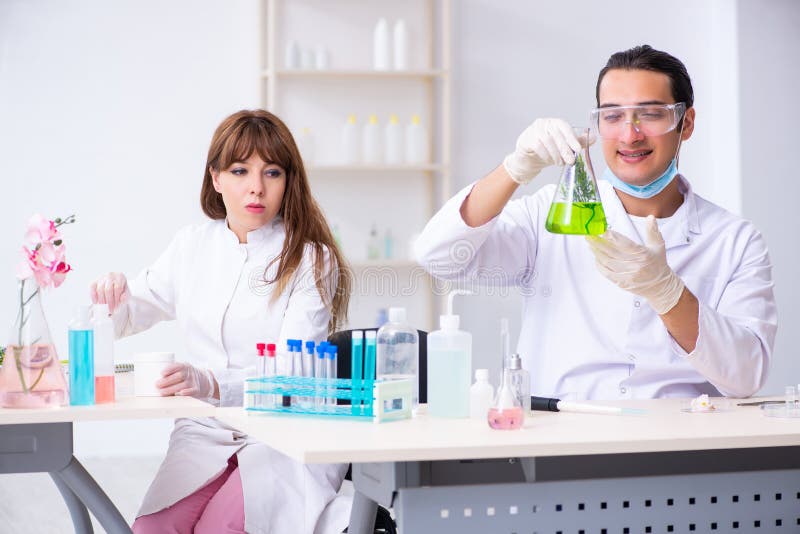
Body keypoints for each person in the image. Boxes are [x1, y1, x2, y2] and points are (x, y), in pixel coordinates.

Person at [415, 45, 777, 400]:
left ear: (686, 123)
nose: (629, 134)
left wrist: (667, 293)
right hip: (562, 441)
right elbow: (440, 257)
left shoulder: (734, 240)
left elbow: (746, 376)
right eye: (612, 115)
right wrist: (514, 169)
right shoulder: (551, 217)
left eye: (650, 114)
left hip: (676, 443)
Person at [90, 109, 353, 533]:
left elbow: (293, 372)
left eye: (272, 172)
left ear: (288, 181)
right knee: (151, 530)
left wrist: (213, 384)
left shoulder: (310, 259)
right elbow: (132, 310)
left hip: (281, 435)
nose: (256, 187)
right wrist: (112, 297)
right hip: (204, 434)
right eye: (239, 170)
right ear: (215, 178)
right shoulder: (192, 246)